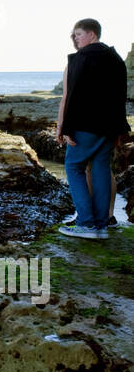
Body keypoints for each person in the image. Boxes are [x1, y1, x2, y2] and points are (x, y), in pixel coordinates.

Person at [55, 18, 131, 239]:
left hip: (85, 127)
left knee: (74, 168)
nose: (75, 38)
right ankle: (101, 225)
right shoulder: (116, 59)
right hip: (108, 129)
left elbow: (71, 96)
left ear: (92, 34)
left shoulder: (80, 59)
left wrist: (64, 127)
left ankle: (87, 224)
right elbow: (119, 97)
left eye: (79, 33)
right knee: (99, 170)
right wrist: (120, 129)